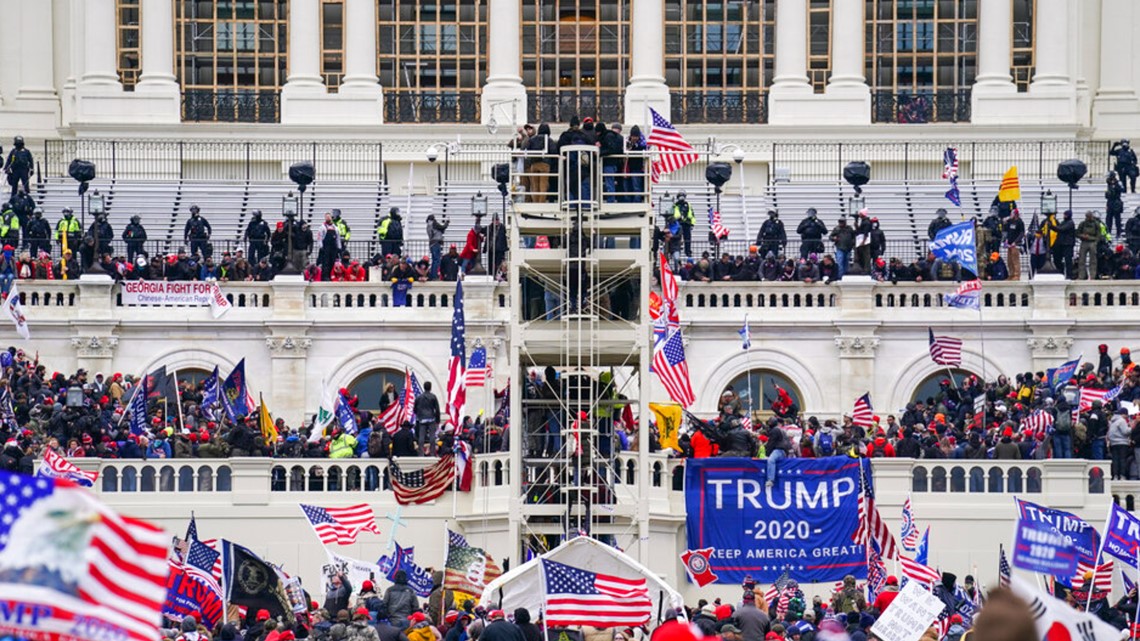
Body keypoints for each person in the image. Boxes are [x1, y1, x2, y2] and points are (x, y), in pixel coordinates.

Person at [523, 124, 555, 203]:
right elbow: (553, 151)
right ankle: (541, 203)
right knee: (543, 185)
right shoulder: (548, 139)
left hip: (534, 164)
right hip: (545, 164)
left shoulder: (532, 139)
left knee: (534, 185)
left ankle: (535, 202)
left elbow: (527, 150)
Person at [413, 381, 441, 455]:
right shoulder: (433, 396)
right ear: (430, 387)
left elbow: (415, 408)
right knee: (432, 436)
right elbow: (437, 409)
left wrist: (418, 415)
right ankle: (432, 452)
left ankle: (421, 453)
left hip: (422, 418)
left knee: (421, 436)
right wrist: (438, 419)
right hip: (431, 418)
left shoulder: (419, 397)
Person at [1048, 210, 1076, 277]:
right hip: (1061, 244)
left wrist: (1052, 226)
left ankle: (1069, 275)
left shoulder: (1070, 223)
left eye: (1065, 215)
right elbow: (1059, 227)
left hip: (1067, 244)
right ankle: (1060, 273)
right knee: (1057, 259)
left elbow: (1061, 229)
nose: (1064, 216)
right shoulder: (1064, 222)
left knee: (1068, 260)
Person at [1076, 210, 1101, 280]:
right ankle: (1081, 276)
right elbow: (1077, 233)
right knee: (1081, 260)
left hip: (1092, 242)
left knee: (1093, 260)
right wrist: (1082, 236)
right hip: (1084, 242)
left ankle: (1092, 276)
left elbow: (1099, 234)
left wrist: (1095, 241)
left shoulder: (1096, 224)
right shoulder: (1082, 224)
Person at [671, 192, 695, 258]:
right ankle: (676, 251)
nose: (681, 198)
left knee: (687, 238)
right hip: (678, 224)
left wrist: (692, 223)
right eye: (680, 196)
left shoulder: (688, 204)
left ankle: (688, 252)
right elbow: (673, 214)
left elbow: (692, 214)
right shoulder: (675, 205)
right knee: (677, 238)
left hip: (687, 224)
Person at [427, 214, 450, 279]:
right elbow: (442, 227)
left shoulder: (428, 226)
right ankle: (434, 275)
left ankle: (432, 275)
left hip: (431, 243)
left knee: (434, 260)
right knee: (437, 260)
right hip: (436, 243)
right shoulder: (434, 224)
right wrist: (447, 223)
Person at [1004, 208, 1025, 280]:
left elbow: (1022, 233)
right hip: (1009, 244)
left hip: (1015, 244)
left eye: (1012, 214)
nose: (1011, 215)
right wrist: (1006, 240)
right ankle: (1011, 274)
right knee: (1009, 260)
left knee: (1015, 260)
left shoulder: (1020, 222)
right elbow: (1008, 232)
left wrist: (1015, 242)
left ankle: (1017, 275)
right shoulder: (1010, 222)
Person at [1106, 172, 1125, 237]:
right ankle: (1108, 231)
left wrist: (1116, 186)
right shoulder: (1108, 183)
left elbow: (1122, 189)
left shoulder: (1118, 182)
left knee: (1117, 219)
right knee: (1108, 219)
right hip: (1110, 202)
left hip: (1116, 202)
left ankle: (1118, 232)